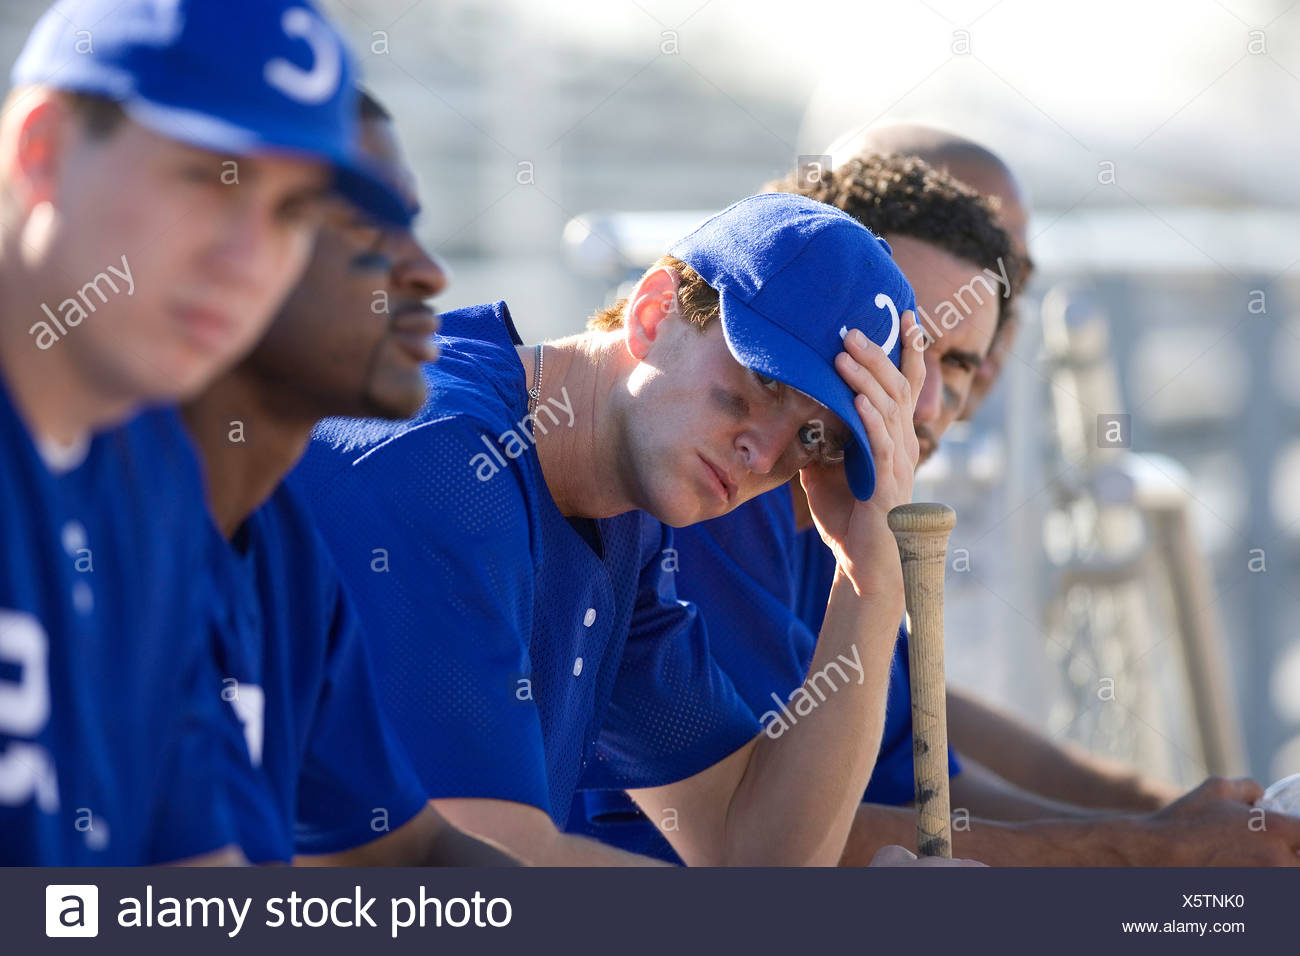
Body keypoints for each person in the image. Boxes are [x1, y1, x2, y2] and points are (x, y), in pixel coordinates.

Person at [578, 136, 1300, 866]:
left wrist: (1172, 827)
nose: (924, 405)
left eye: (955, 361)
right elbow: (799, 841)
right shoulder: (704, 497)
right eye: (900, 347)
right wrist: (1151, 851)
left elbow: (918, 776)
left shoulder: (828, 517)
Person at [292, 192, 952, 866]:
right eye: (760, 379)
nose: (765, 454)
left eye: (813, 437)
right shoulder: (441, 459)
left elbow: (752, 854)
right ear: (653, 311)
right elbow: (475, 875)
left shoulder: (620, 523)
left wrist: (869, 579)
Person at [0, 0, 410, 864]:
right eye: (207, 176)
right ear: (42, 152)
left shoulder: (150, 472)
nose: (247, 260)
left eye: (292, 212)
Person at [181, 90, 519, 867]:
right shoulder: (79, 527)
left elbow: (407, 851)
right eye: (368, 226)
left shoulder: (280, 534)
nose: (430, 274)